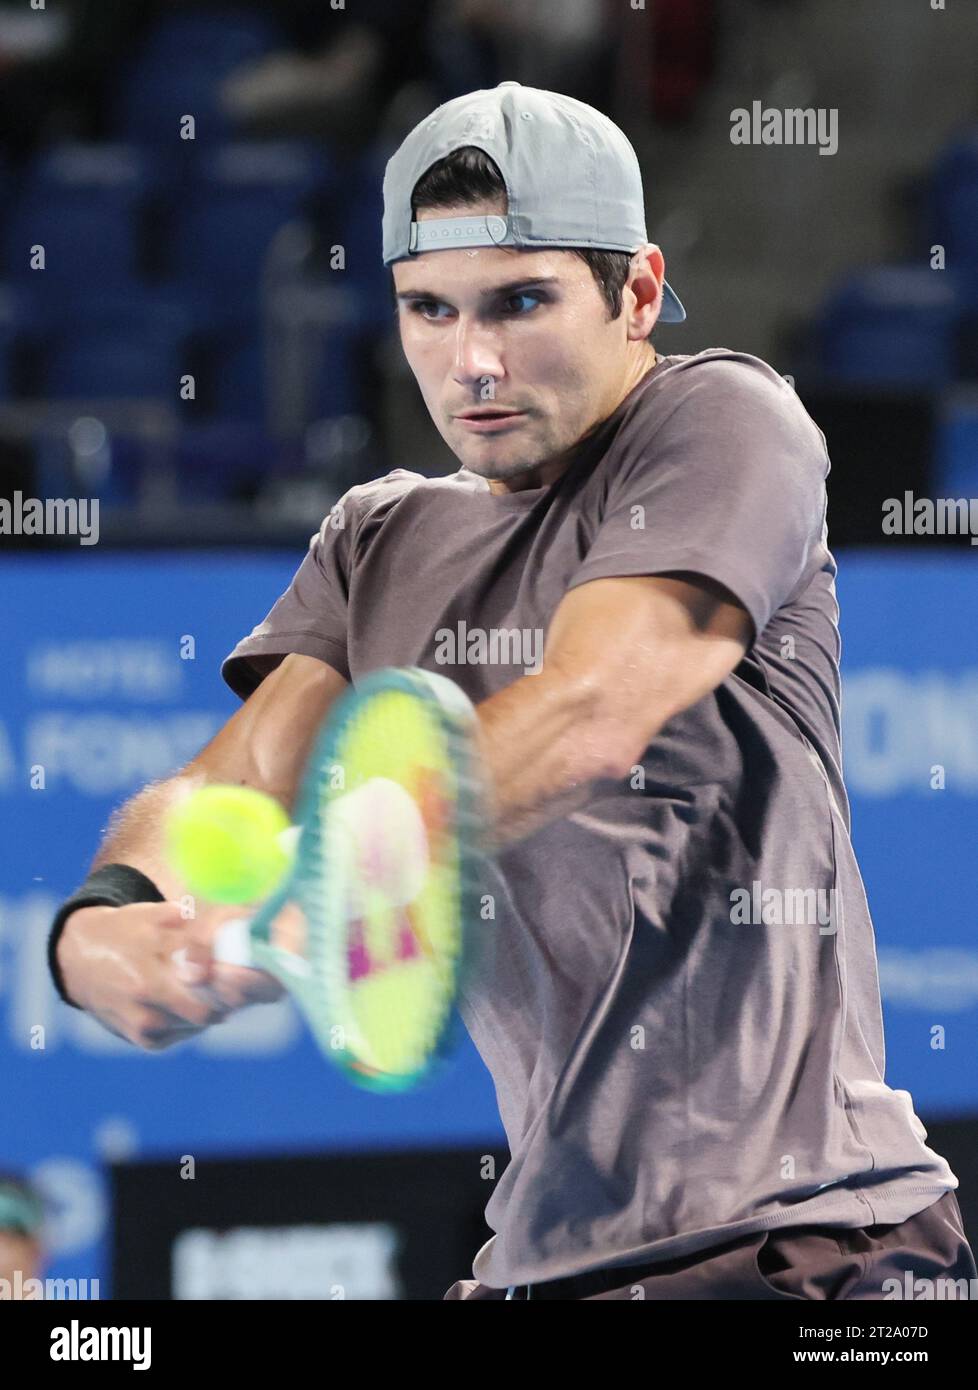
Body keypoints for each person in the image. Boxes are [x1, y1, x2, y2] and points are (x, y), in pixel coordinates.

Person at [48, 82, 975, 1301]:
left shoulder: (722, 421)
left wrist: (363, 865)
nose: (470, 361)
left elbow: (597, 706)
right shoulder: (375, 538)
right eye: (427, 310)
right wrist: (107, 920)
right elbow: (233, 782)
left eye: (520, 302)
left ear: (638, 294)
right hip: (546, 1264)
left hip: (808, 1246)